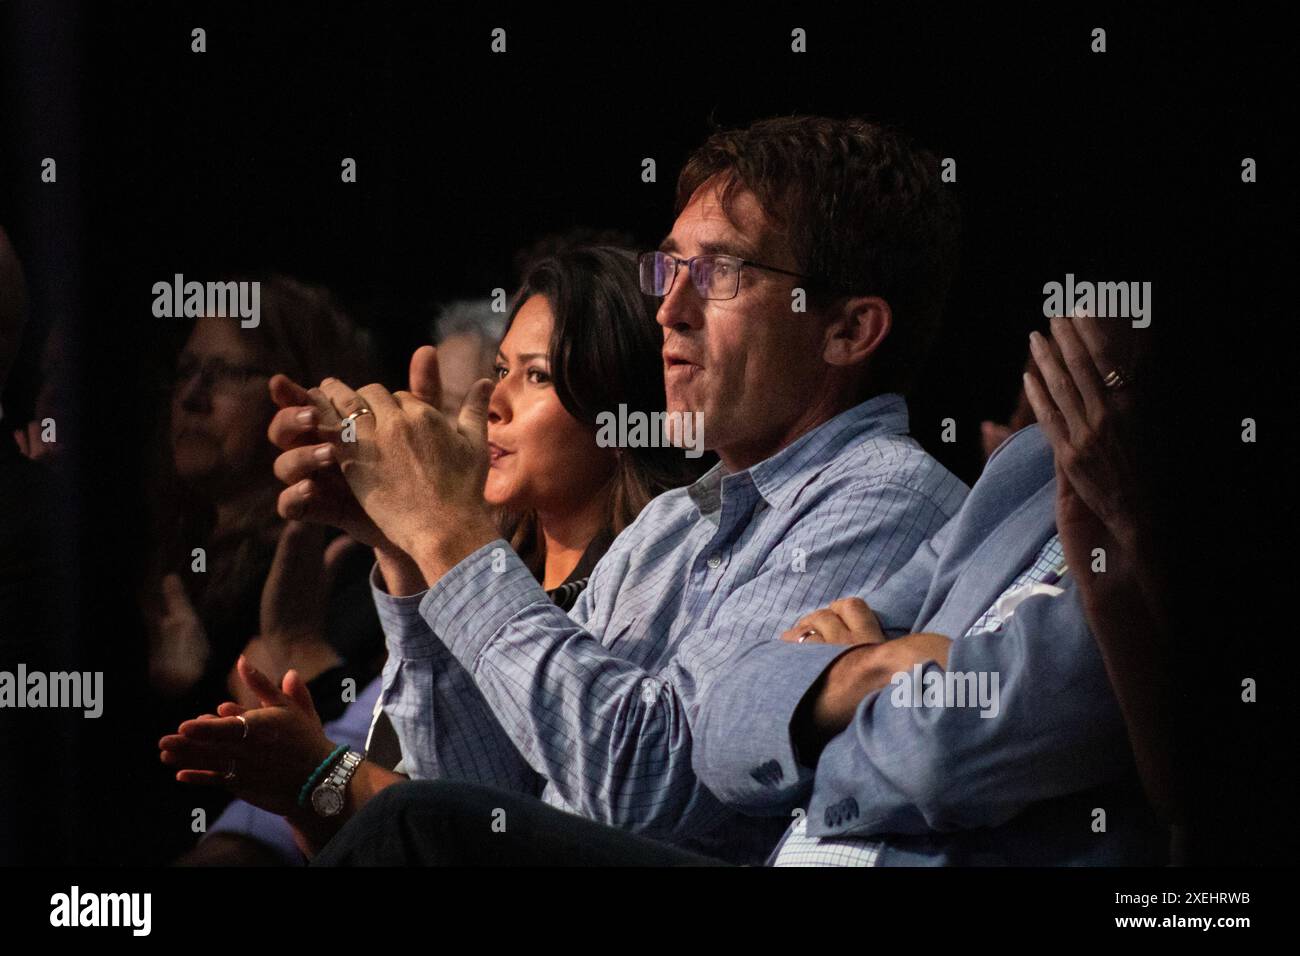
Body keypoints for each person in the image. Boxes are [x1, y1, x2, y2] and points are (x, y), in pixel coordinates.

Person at [239, 115, 970, 866]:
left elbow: (650, 788)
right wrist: (406, 549)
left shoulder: (889, 501)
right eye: (668, 269)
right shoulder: (669, 528)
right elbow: (486, 795)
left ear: (848, 331)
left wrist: (449, 530)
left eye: (720, 273)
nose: (669, 309)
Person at [164, 246, 709, 860]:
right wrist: (398, 548)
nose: (494, 403)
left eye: (537, 375)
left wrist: (322, 778)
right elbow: (454, 810)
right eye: (500, 370)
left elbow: (562, 814)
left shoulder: (671, 559)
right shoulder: (474, 571)